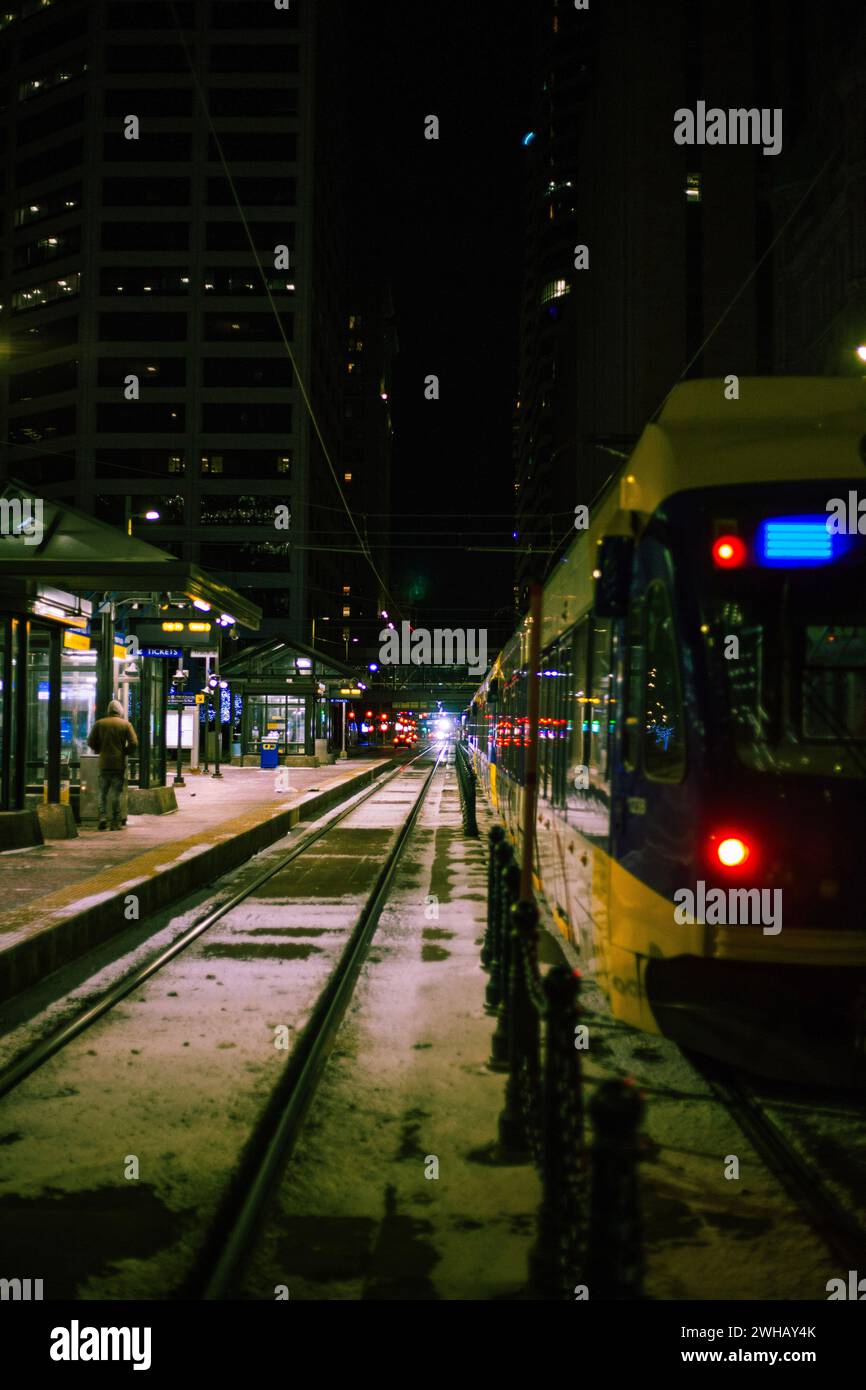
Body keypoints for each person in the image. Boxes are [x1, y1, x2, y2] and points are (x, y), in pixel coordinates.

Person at [87, 698, 138, 831]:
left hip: (103, 764)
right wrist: (125, 752)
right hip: (118, 764)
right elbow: (134, 743)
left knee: (102, 793)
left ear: (109, 710)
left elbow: (90, 741)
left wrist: (99, 749)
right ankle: (115, 822)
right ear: (120, 711)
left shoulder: (99, 724)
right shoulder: (126, 725)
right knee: (116, 793)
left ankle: (102, 817)